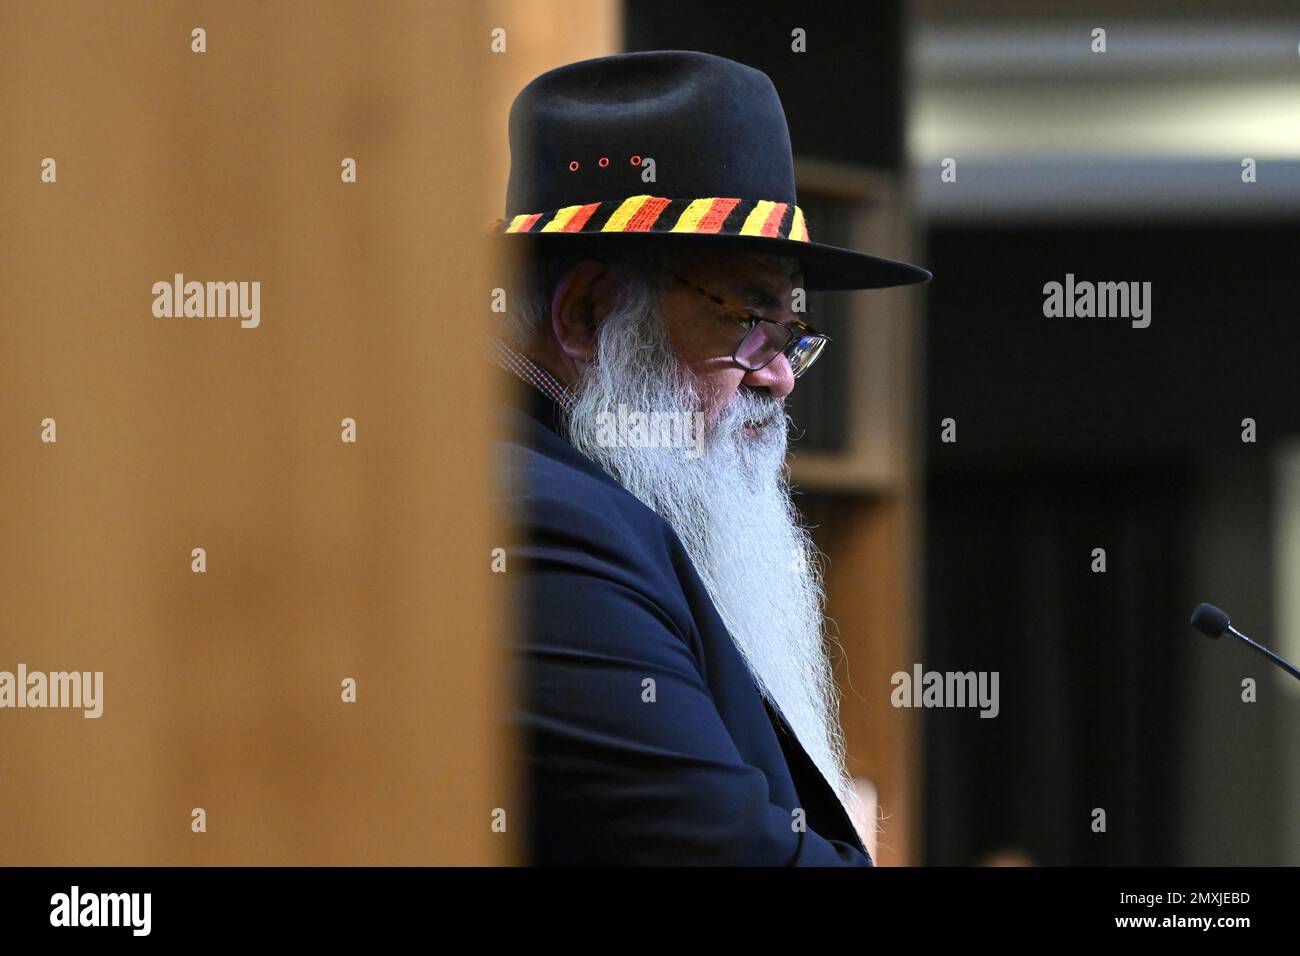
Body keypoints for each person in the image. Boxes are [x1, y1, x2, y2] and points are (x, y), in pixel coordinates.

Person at [490, 50, 930, 865]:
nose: (780, 375)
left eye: (792, 329)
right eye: (747, 315)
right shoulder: (539, 520)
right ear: (587, 313)